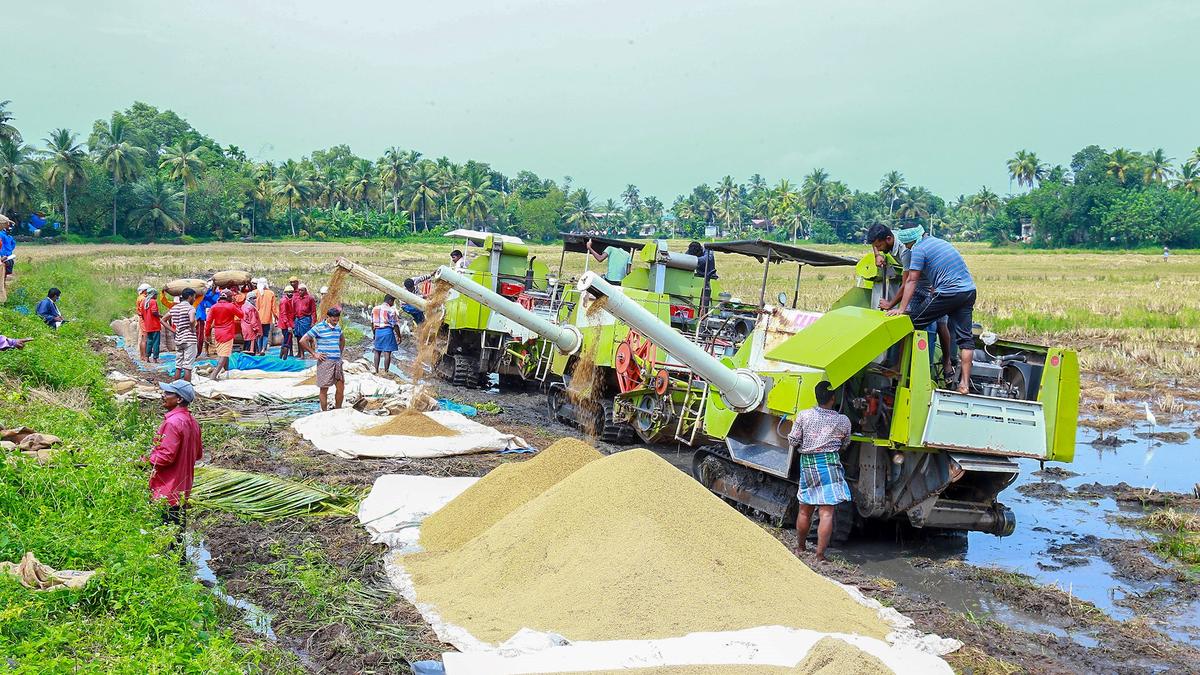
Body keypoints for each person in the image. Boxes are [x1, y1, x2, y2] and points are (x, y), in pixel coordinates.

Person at [884, 226, 977, 394]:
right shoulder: (939, 242)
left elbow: (911, 280)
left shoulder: (918, 249)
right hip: (968, 292)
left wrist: (901, 309)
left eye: (907, 245)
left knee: (911, 322)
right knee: (966, 340)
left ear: (910, 241)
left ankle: (901, 369)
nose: (908, 248)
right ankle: (964, 384)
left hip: (948, 293)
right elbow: (945, 267)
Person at [870, 224, 954, 379]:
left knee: (941, 325)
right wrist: (877, 255)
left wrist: (891, 304)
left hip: (933, 284)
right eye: (876, 246)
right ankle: (898, 364)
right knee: (905, 321)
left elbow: (907, 282)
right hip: (917, 283)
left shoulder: (906, 251)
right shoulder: (892, 235)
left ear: (889, 239)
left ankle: (947, 362)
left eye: (880, 246)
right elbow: (874, 242)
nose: (879, 248)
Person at [789, 381, 853, 562]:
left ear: (816, 397)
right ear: (833, 398)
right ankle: (819, 555)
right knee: (826, 513)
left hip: (808, 465)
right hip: (830, 465)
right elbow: (846, 443)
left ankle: (800, 548)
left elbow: (793, 441)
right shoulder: (843, 420)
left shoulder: (804, 416)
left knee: (804, 511)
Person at [145, 380, 203, 528]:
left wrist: (142, 461)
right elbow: (197, 454)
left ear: (179, 399)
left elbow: (165, 456)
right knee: (177, 536)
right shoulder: (193, 422)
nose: (163, 396)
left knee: (163, 536)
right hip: (182, 489)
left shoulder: (172, 422)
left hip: (166, 489)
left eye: (167, 393)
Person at [301, 307, 346, 411]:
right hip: (325, 362)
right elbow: (303, 340)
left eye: (337, 319)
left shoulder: (338, 327)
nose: (336, 322)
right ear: (328, 317)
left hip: (337, 362)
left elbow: (342, 339)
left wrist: (339, 352)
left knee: (341, 387)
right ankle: (324, 412)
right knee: (324, 388)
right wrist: (314, 353)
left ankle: (338, 410)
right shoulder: (319, 327)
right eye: (333, 319)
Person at [205, 290, 244, 380]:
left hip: (218, 333)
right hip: (228, 333)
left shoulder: (214, 307)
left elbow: (208, 322)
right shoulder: (231, 306)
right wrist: (235, 304)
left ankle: (226, 372)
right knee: (224, 355)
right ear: (229, 298)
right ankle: (213, 376)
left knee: (225, 354)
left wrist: (207, 334)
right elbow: (241, 315)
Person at [167, 288, 199, 382]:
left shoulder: (175, 308)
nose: (194, 299)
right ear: (189, 297)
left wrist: (174, 330)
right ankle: (186, 388)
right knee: (188, 366)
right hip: (189, 339)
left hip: (179, 338)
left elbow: (163, 320)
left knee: (178, 365)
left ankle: (176, 386)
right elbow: (192, 320)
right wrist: (193, 329)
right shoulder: (190, 308)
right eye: (194, 297)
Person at [371, 294, 401, 374]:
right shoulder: (391, 310)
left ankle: (376, 370)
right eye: (393, 301)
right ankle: (386, 371)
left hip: (378, 331)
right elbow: (395, 325)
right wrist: (399, 336)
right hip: (387, 331)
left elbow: (372, 323)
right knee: (387, 352)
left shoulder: (375, 309)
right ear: (390, 301)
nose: (393, 304)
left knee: (377, 351)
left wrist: (374, 334)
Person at [686, 241, 719, 314]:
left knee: (709, 301)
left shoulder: (708, 251)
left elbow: (705, 259)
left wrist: (693, 259)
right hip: (698, 276)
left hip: (710, 278)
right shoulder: (691, 251)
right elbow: (685, 257)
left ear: (701, 249)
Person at [194, 281, 220, 356]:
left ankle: (212, 350)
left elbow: (213, 298)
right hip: (202, 316)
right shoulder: (201, 295)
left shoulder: (216, 294)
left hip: (211, 315)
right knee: (202, 334)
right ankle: (203, 351)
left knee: (210, 334)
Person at [291, 284, 317, 358]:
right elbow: (293, 311)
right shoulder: (296, 299)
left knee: (308, 337)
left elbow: (313, 311)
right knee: (298, 337)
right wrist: (292, 322)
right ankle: (301, 353)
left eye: (302, 290)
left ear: (305, 290)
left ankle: (312, 353)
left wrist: (313, 322)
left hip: (306, 319)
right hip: (297, 319)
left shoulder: (310, 299)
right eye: (299, 290)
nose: (300, 292)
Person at [141, 288, 163, 363]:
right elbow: (154, 312)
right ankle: (155, 358)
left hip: (148, 325)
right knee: (156, 342)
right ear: (153, 295)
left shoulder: (144, 302)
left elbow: (142, 314)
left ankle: (147, 357)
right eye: (156, 294)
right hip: (155, 325)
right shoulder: (153, 301)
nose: (157, 296)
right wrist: (159, 315)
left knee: (149, 341)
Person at [255, 279, 277, 354]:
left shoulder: (255, 293)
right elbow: (274, 308)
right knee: (265, 334)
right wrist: (276, 317)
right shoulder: (271, 293)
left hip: (257, 318)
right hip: (267, 318)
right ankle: (263, 349)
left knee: (258, 335)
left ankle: (258, 350)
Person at [241, 291, 263, 356]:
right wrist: (256, 329)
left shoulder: (243, 306)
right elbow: (253, 320)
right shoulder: (251, 308)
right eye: (254, 298)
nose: (255, 300)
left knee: (247, 344)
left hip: (245, 327)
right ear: (250, 299)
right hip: (251, 329)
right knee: (251, 348)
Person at [278, 286, 295, 359]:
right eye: (289, 292)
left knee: (288, 339)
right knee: (286, 340)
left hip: (288, 322)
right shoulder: (284, 301)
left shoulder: (288, 300)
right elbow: (284, 314)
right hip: (286, 324)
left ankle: (285, 355)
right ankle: (283, 356)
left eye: (291, 292)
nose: (290, 293)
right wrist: (288, 325)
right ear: (286, 293)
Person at [135, 283, 151, 360]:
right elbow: (144, 311)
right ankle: (143, 356)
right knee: (145, 338)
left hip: (142, 318)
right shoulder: (143, 299)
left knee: (143, 337)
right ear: (145, 291)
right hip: (144, 319)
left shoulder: (139, 297)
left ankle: (142, 355)